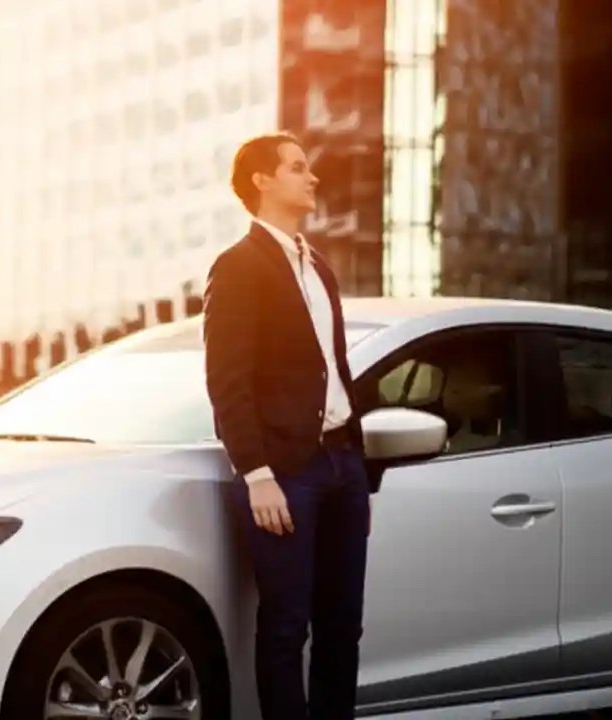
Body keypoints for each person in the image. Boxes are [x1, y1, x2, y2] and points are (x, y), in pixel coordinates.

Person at [202, 131, 372, 720]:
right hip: (287, 475)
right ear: (262, 181)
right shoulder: (238, 267)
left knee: (341, 628)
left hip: (343, 467)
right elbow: (228, 381)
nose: (313, 177)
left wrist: (355, 452)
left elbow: (334, 366)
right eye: (298, 168)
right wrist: (257, 473)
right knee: (284, 628)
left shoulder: (319, 267)